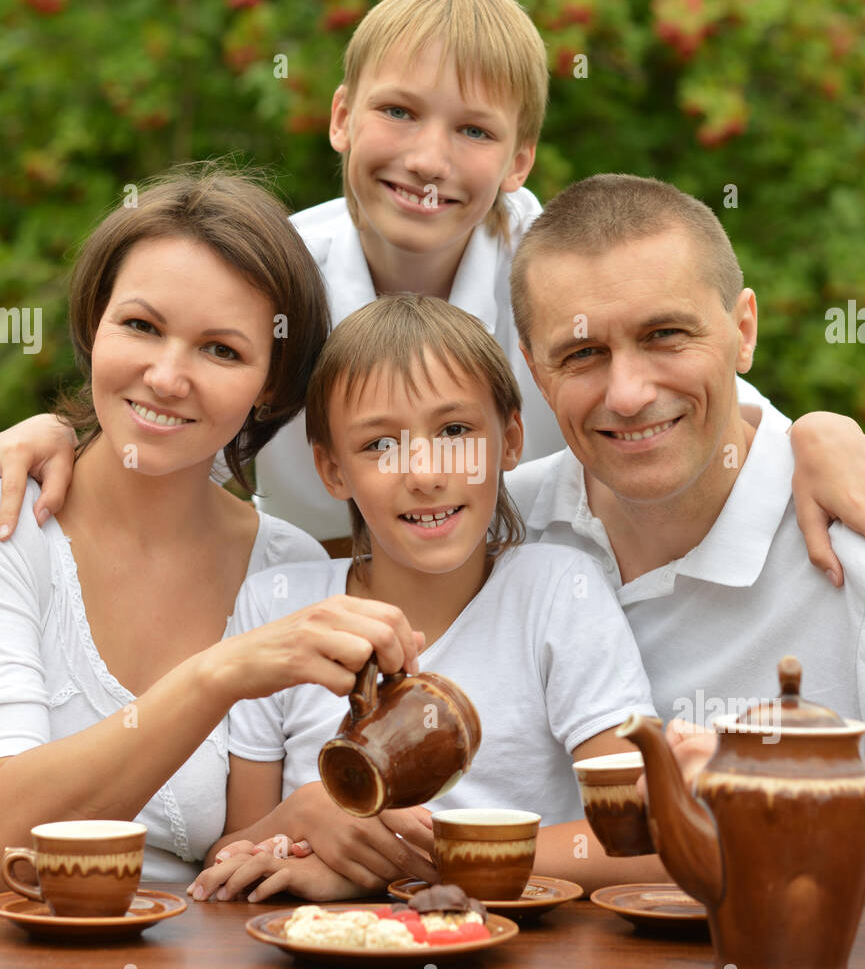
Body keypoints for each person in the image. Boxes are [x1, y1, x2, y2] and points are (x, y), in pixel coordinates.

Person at [1, 0, 847, 554]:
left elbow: (701, 392)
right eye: (398, 112)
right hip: (314, 614)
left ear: (519, 159)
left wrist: (816, 435)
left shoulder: (561, 269)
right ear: (339, 116)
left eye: (474, 131)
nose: (428, 158)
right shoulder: (272, 275)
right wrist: (56, 436)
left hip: (527, 609)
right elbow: (169, 421)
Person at [0, 167, 428, 883]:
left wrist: (292, 823)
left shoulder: (284, 565)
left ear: (270, 384)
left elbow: (219, 861)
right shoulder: (14, 525)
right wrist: (217, 676)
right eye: (140, 325)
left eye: (221, 349)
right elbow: (13, 835)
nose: (168, 377)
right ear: (93, 324)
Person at [188, 294, 681, 905]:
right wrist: (303, 815)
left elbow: (650, 841)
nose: (423, 473)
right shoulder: (281, 606)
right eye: (378, 445)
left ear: (509, 439)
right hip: (319, 967)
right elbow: (229, 851)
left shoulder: (558, 592)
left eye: (454, 431)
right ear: (333, 469)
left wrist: (415, 864)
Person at [506, 173, 865, 737]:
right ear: (537, 374)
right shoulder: (493, 533)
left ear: (743, 331)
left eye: (665, 334)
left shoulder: (852, 542)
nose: (628, 395)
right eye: (583, 352)